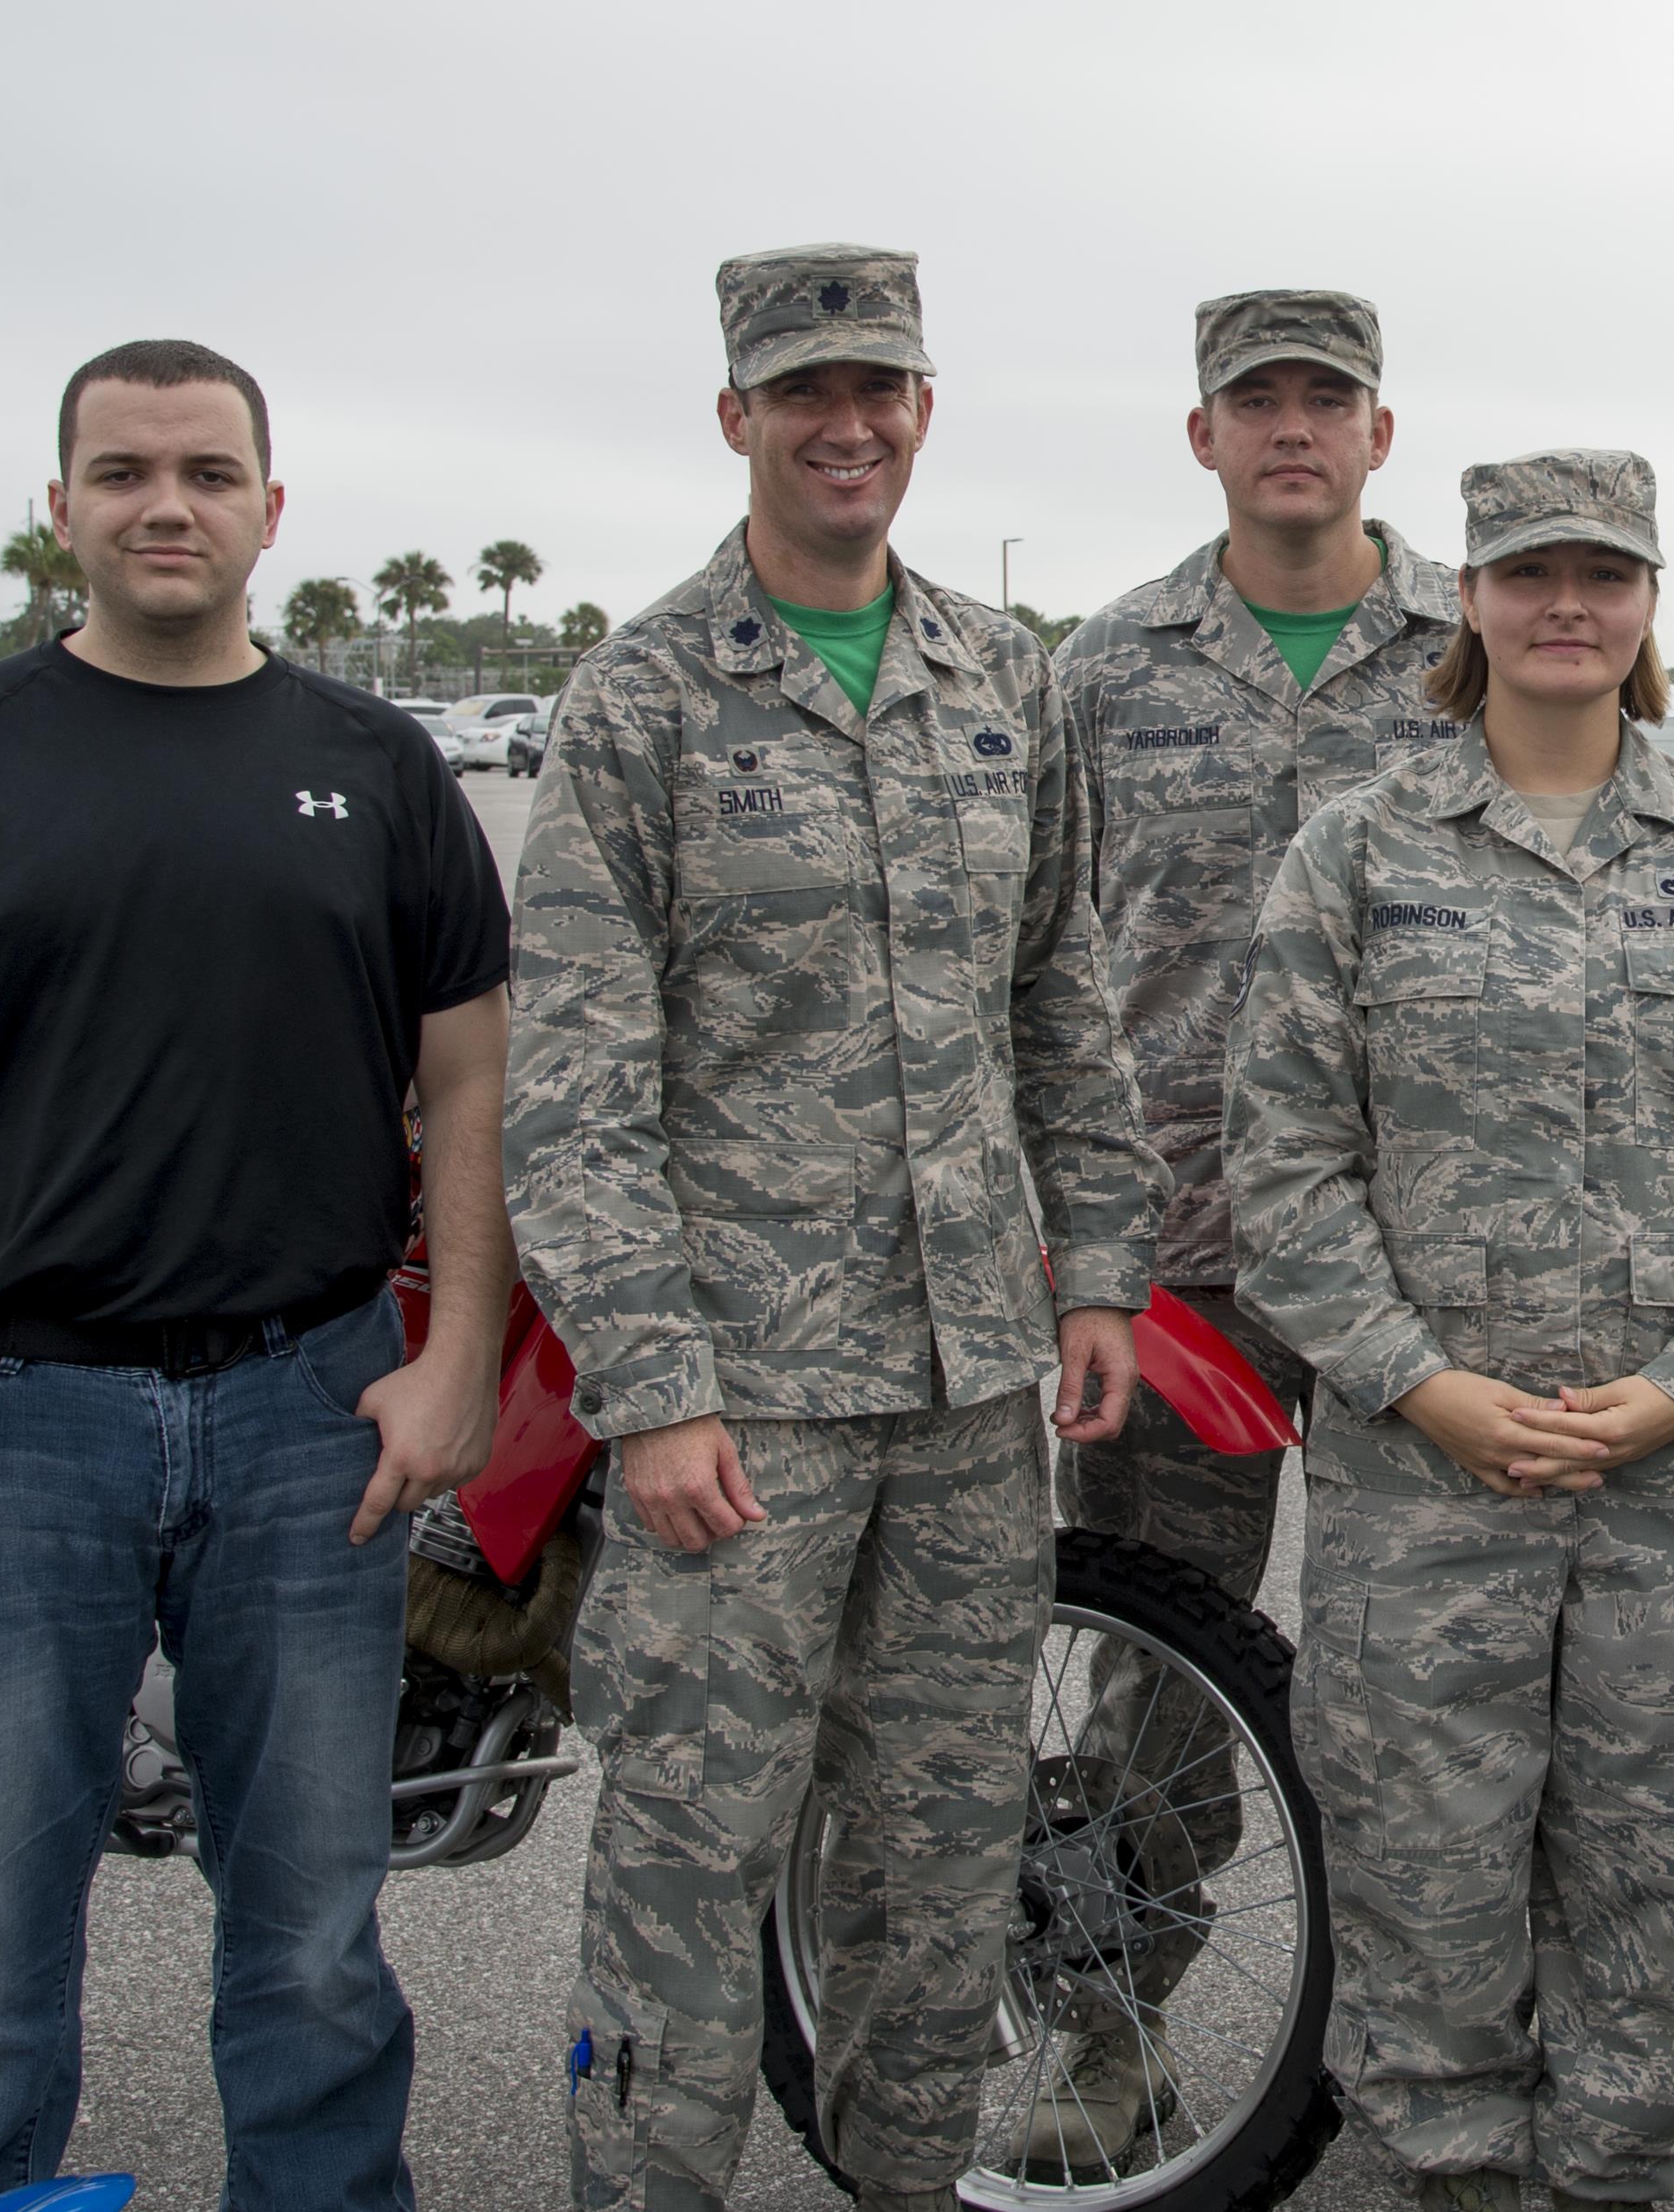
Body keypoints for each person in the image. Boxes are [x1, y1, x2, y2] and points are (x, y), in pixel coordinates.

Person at [0, 338, 512, 2212]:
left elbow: (474, 1070)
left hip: (305, 1411)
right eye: (122, 472)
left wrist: (461, 1348)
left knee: (315, 1946)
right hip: (10, 1425)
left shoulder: (378, 766)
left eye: (203, 470)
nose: (164, 504)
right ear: (63, 506)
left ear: (270, 505)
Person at [503, 244, 1166, 2212]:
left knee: (939, 1865)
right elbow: (572, 1085)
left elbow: (1064, 997)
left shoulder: (1000, 675)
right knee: (690, 1866)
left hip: (970, 1387)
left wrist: (1104, 1264)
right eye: (803, 391)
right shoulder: (639, 699)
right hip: (744, 1411)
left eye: (877, 384)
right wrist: (649, 1386)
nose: (845, 421)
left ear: (923, 411)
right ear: (738, 418)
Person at [1231, 449, 1674, 2212]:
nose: (1565, 607)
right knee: (1425, 1891)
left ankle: (1610, 2185)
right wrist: (1430, 1389)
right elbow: (1279, 1171)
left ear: (1650, 602)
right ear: (1471, 604)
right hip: (1428, 1494)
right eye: (1529, 575)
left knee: (1655, 1900)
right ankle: (1454, 2184)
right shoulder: (1354, 859)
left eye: (1603, 574)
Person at [1038, 289, 1464, 2156]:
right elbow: (1030, 957)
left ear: (1381, 430)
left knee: (1435, 1673)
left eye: (1327, 399)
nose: (1292, 428)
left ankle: (1438, 2037)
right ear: (1200, 435)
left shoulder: (1481, 642)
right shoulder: (1104, 666)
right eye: (1254, 401)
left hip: (1416, 1260)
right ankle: (1110, 2029)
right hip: (1171, 1259)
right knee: (1154, 1662)